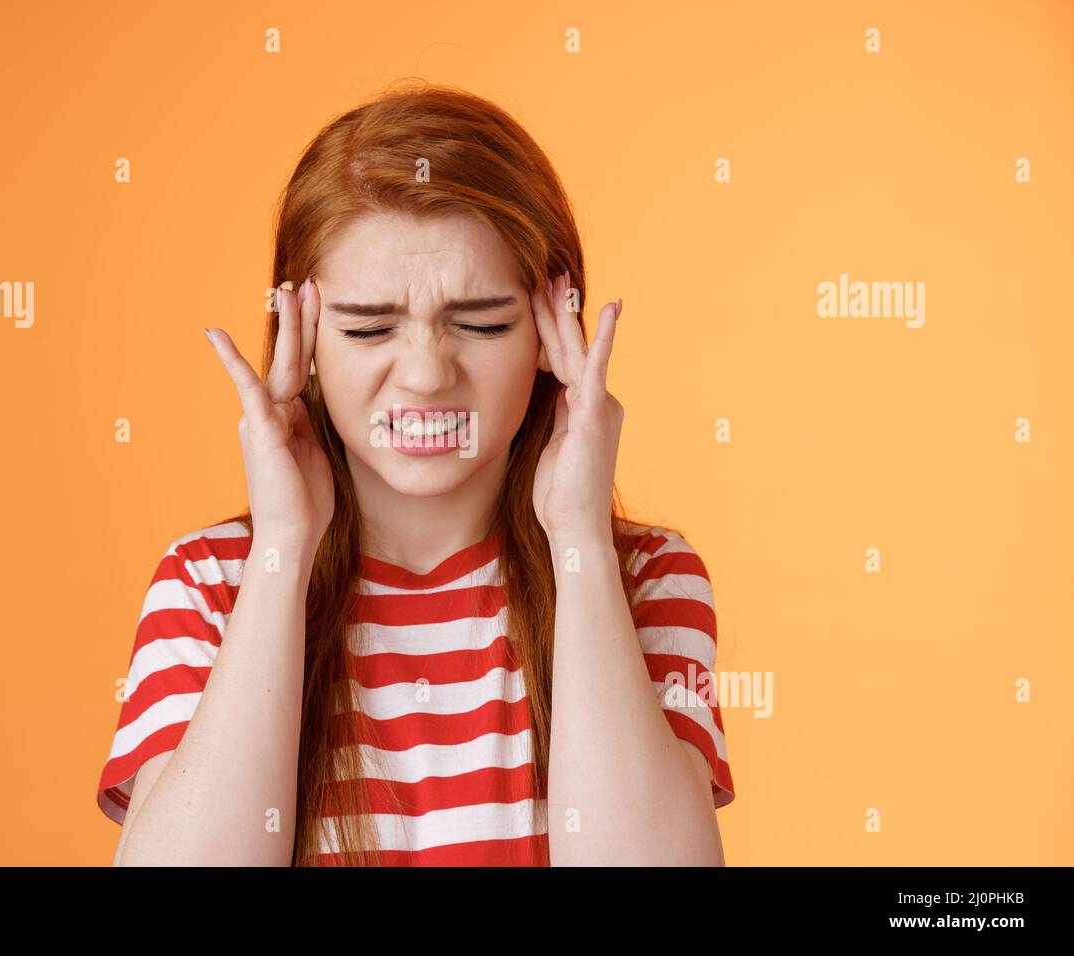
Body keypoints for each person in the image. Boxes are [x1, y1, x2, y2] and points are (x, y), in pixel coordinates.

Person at [97, 81, 735, 866]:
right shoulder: (208, 584)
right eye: (369, 327)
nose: (427, 376)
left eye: (481, 322)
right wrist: (284, 551)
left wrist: (578, 542)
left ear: (550, 331)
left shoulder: (645, 580)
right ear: (303, 340)